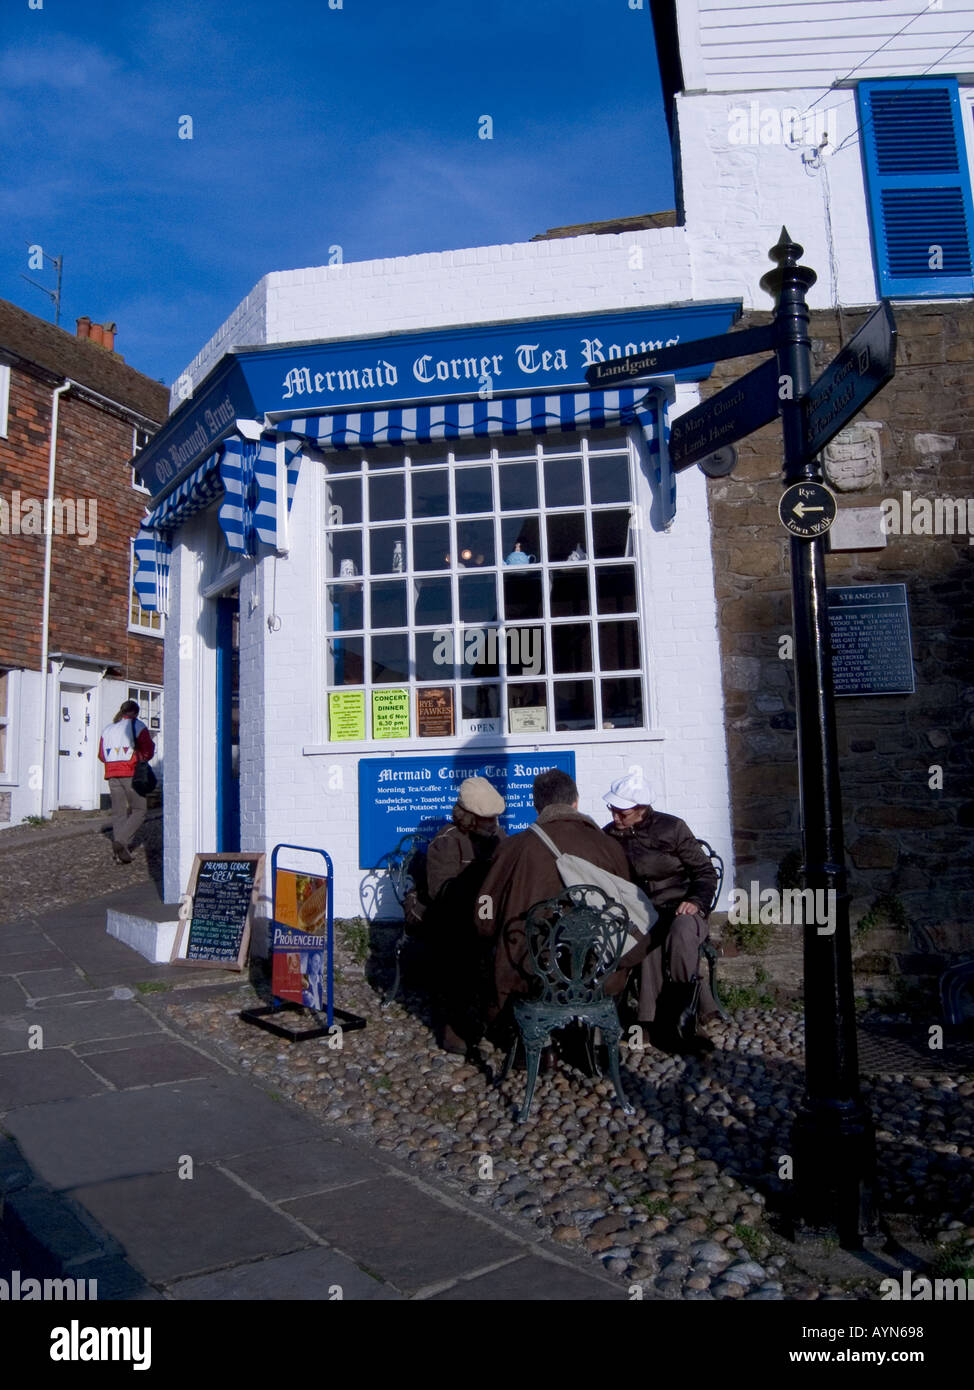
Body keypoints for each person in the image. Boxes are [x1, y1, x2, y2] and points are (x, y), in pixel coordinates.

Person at [478, 768, 644, 1026]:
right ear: (575, 802)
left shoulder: (513, 848)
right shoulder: (608, 846)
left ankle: (534, 1047)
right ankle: (593, 1037)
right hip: (599, 972)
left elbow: (484, 916)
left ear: (537, 806)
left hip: (528, 971)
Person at [602, 769, 719, 1054]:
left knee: (679, 934)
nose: (616, 817)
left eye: (623, 812)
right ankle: (648, 1021)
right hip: (642, 912)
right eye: (613, 810)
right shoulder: (610, 835)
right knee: (647, 941)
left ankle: (682, 1013)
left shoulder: (672, 828)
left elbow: (705, 872)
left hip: (682, 906)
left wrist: (696, 901)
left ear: (640, 809)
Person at [425, 776, 506, 1054]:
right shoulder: (446, 843)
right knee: (458, 954)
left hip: (490, 919)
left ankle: (496, 1019)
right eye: (486, 818)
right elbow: (442, 894)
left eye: (495, 818)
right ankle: (453, 1027)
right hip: (455, 923)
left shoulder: (498, 838)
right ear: (469, 817)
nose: (493, 823)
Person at [97, 700, 155, 864]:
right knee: (139, 809)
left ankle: (119, 854)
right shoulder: (138, 726)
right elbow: (148, 750)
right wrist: (140, 758)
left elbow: (102, 755)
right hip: (131, 773)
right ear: (135, 713)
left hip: (111, 774)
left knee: (119, 812)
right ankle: (121, 842)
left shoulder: (107, 730)